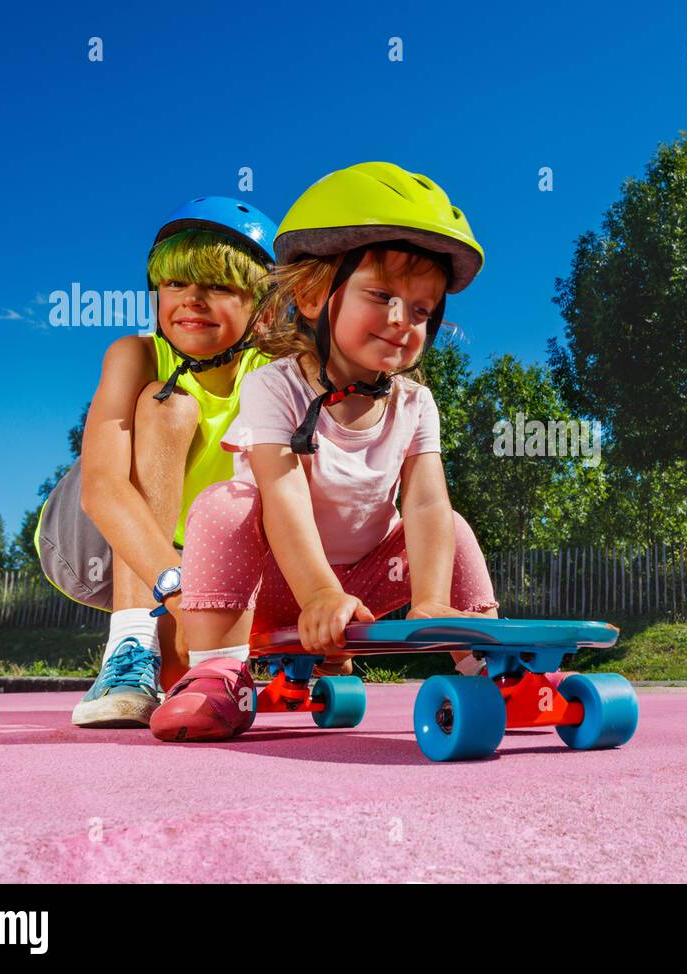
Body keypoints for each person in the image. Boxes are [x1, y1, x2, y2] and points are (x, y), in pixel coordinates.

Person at [149, 162, 500, 743]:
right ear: (314, 296)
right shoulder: (275, 387)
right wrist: (317, 594)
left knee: (453, 525)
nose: (401, 321)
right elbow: (281, 495)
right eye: (382, 295)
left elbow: (427, 506)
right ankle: (218, 671)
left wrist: (432, 601)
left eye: (420, 310)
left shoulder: (415, 403)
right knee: (225, 503)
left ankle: (489, 665)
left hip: (366, 579)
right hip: (272, 585)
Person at [34, 197, 278, 727]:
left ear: (263, 303)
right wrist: (178, 592)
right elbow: (102, 488)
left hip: (202, 556)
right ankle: (127, 648)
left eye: (217, 284)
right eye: (174, 285)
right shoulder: (136, 354)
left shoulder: (278, 370)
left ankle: (170, 658)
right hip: (91, 541)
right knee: (166, 405)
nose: (191, 300)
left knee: (188, 677)